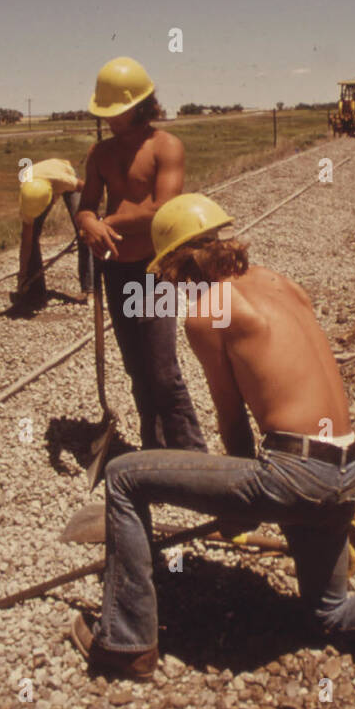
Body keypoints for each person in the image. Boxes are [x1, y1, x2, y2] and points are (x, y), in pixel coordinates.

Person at [69, 194, 355, 688]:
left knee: (123, 476)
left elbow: (232, 420)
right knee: (329, 613)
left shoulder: (207, 312)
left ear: (178, 266)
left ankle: (126, 643)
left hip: (295, 473)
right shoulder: (277, 281)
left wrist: (242, 510)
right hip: (346, 467)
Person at [73, 56, 206, 451]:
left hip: (154, 271)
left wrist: (103, 223)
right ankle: (154, 451)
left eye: (119, 111)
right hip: (116, 272)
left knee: (163, 371)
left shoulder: (166, 147)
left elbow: (162, 212)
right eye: (106, 112)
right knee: (136, 368)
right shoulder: (100, 154)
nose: (111, 119)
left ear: (142, 105)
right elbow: (85, 205)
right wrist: (86, 221)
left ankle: (193, 457)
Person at [13, 158, 92, 308]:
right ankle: (35, 289)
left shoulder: (63, 180)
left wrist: (93, 215)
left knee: (83, 231)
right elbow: (27, 241)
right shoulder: (27, 195)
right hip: (38, 184)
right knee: (32, 235)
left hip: (63, 171)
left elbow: (87, 189)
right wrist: (22, 275)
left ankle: (90, 289)